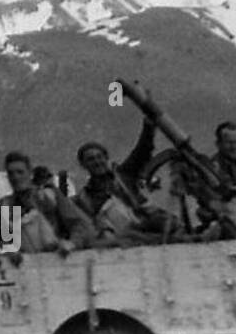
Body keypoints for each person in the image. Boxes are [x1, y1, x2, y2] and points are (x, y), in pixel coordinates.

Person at [73, 100, 189, 246]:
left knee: (170, 224)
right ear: (83, 165)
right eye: (91, 159)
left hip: (146, 223)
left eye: (99, 157)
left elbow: (142, 152)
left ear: (106, 158)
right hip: (122, 236)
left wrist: (148, 126)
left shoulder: (123, 175)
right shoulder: (84, 199)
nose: (97, 162)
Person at [0, 151, 95, 254]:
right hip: (23, 263)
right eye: (11, 173)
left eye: (20, 172)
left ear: (30, 173)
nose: (16, 177)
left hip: (55, 259)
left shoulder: (49, 195)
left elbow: (79, 224)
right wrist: (7, 250)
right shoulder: (4, 204)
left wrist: (72, 243)